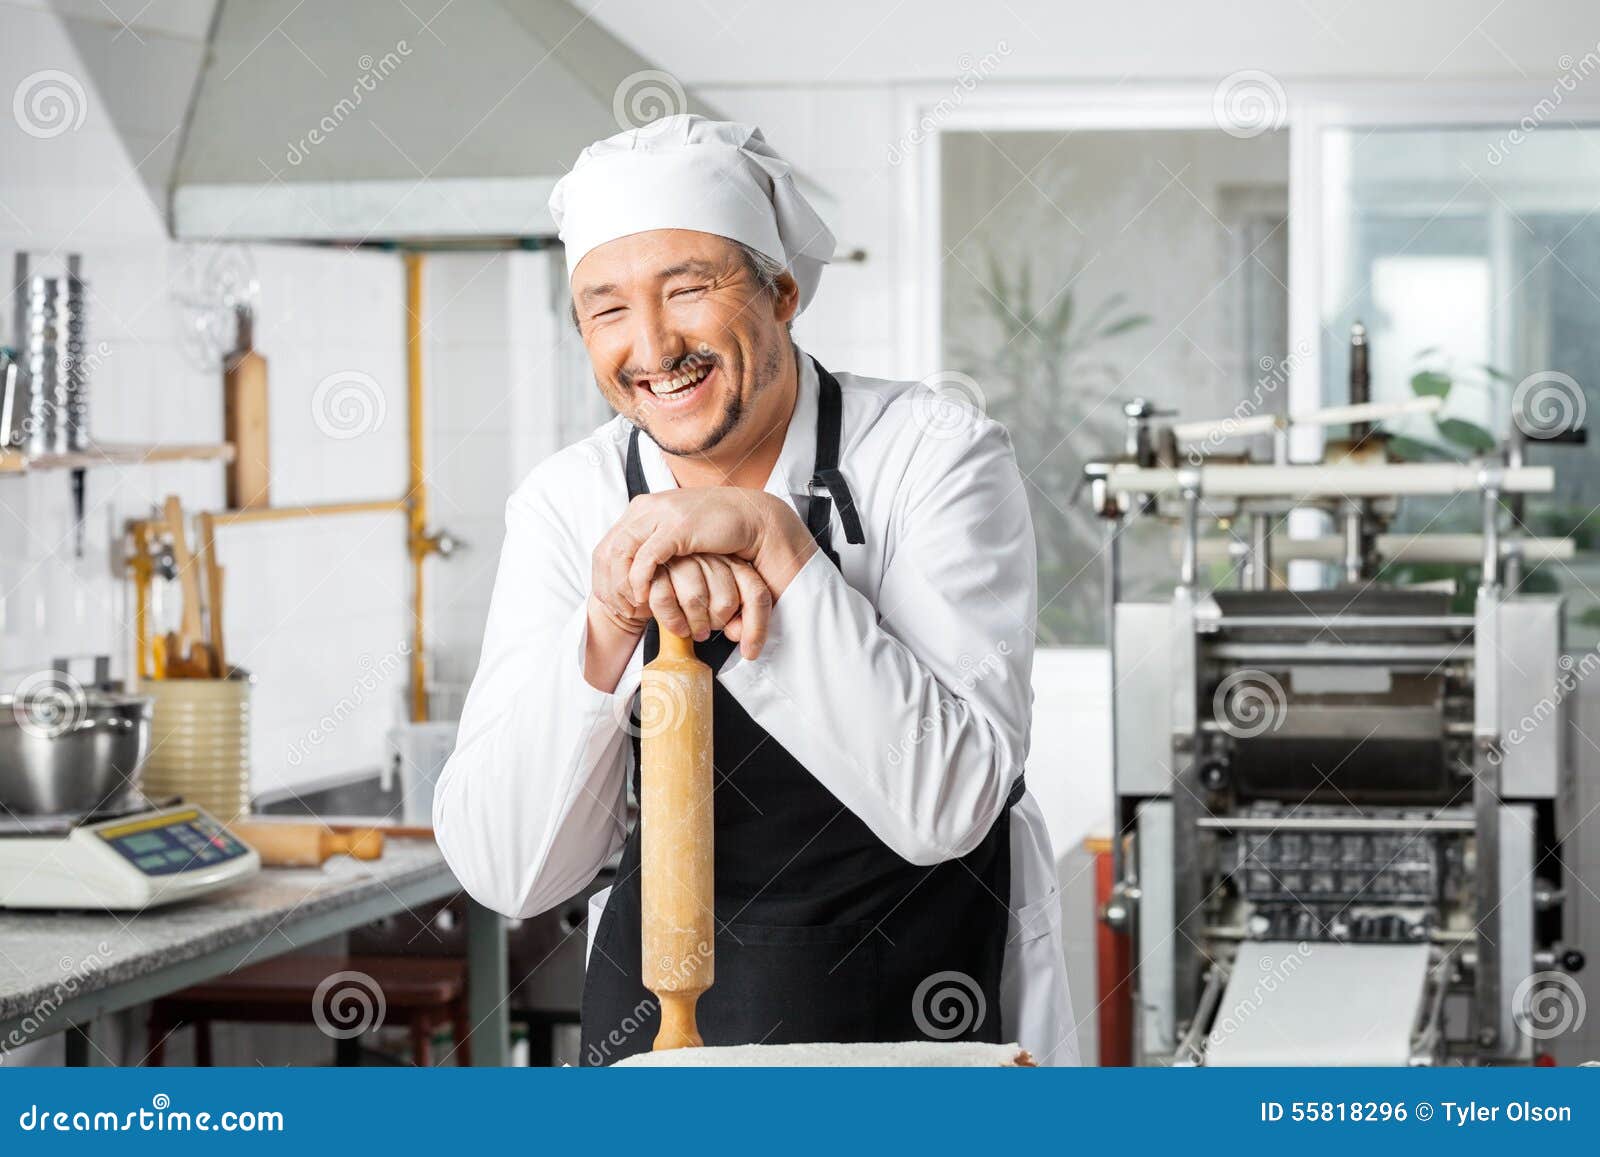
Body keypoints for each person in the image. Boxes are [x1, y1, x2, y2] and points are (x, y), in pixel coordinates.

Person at [433, 114, 1077, 1066]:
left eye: (688, 290)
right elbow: (509, 870)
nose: (653, 346)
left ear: (781, 292)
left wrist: (779, 547)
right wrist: (608, 625)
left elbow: (948, 804)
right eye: (607, 310)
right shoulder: (569, 504)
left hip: (926, 1001)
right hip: (667, 1026)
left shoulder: (931, 456)